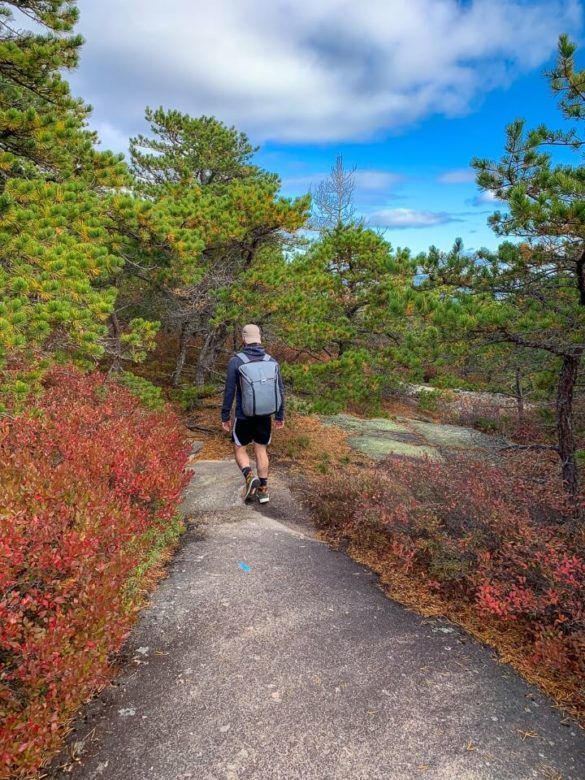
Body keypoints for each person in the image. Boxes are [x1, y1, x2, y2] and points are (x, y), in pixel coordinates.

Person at [221, 324, 285, 504]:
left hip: (244, 415)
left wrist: (225, 416)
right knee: (261, 450)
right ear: (259, 338)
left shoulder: (236, 361)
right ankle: (263, 491)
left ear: (244, 339)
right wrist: (280, 415)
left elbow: (229, 391)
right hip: (265, 415)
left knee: (239, 448)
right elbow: (280, 390)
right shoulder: (271, 361)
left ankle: (249, 476)